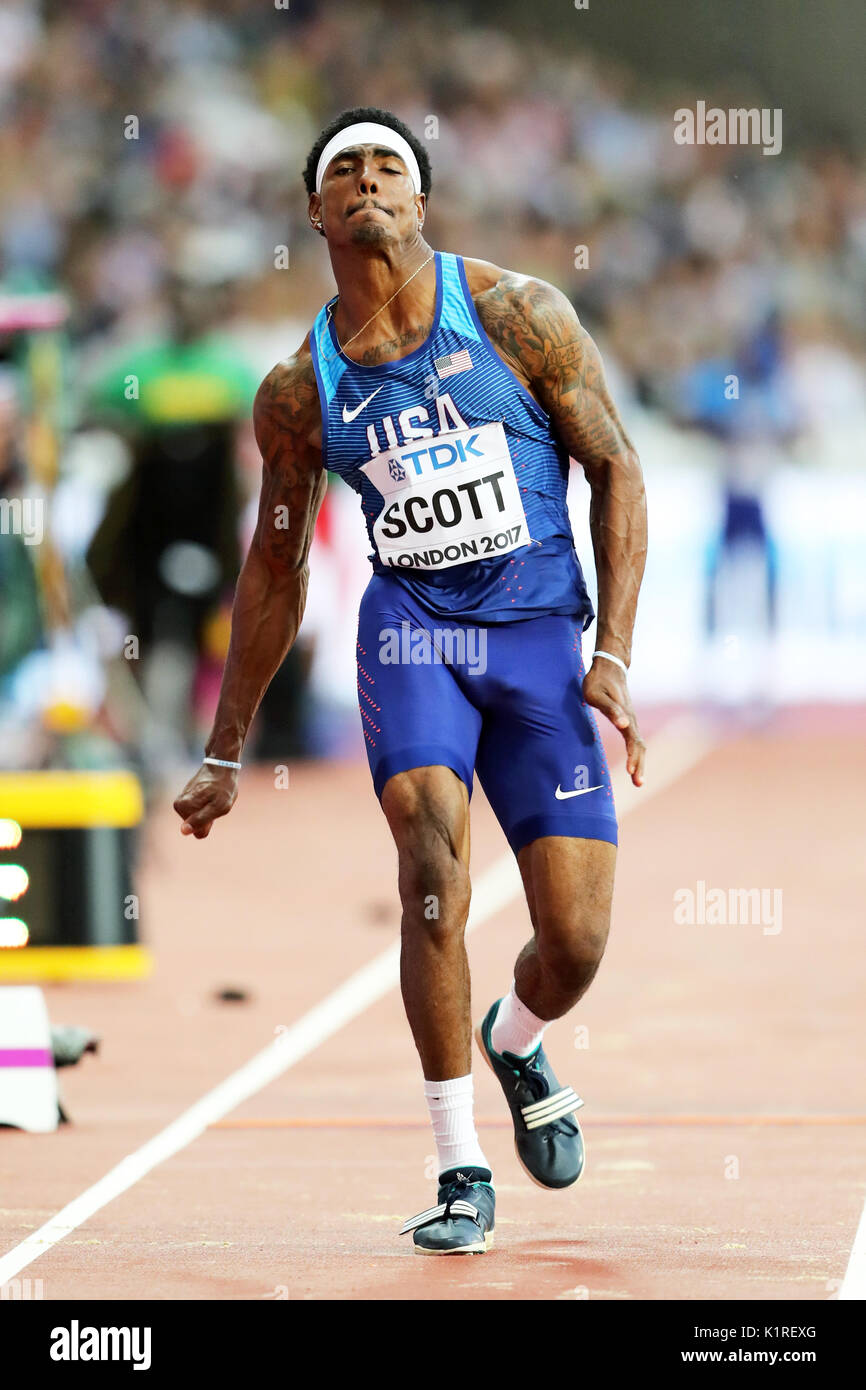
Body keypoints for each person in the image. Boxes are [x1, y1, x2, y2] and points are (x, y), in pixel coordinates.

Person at [174, 107, 648, 1255]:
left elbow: (614, 470)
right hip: (413, 631)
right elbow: (274, 567)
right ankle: (457, 1164)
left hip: (537, 637)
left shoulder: (517, 314)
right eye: (346, 169)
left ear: (421, 200)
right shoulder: (301, 391)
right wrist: (225, 746)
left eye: (390, 164)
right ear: (316, 212)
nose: (369, 180)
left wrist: (612, 655)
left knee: (574, 943)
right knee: (429, 857)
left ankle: (520, 1035)